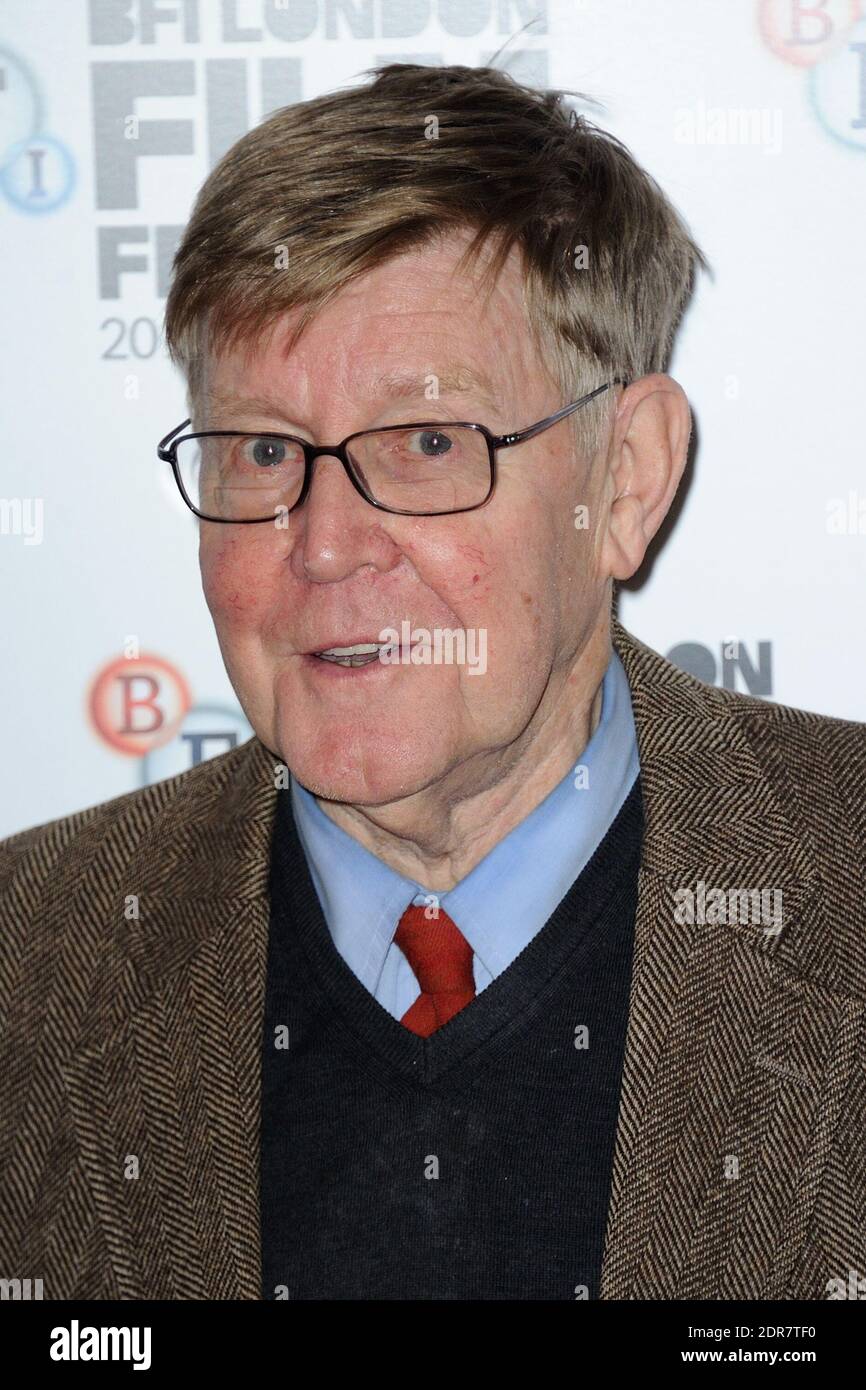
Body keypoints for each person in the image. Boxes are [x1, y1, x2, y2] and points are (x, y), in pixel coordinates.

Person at [1, 63, 864, 1302]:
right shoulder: (29, 952)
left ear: (622, 481)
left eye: (424, 443)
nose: (324, 544)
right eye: (260, 450)